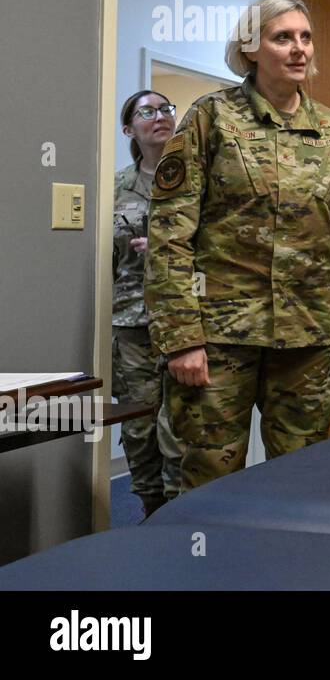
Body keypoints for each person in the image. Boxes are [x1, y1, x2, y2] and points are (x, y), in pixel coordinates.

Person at [145, 0, 330, 492]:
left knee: (303, 480)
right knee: (209, 481)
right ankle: (204, 568)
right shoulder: (211, 118)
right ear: (250, 49)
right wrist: (181, 337)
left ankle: (293, 569)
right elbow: (170, 230)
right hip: (221, 336)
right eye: (282, 38)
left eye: (305, 37)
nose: (299, 49)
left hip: (309, 337)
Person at [111, 90, 183, 516]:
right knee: (139, 426)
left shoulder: (196, 178)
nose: (161, 116)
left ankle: (181, 516)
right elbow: (110, 260)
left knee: (181, 427)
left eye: (166, 109)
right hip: (133, 324)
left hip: (186, 324)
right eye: (148, 112)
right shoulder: (117, 185)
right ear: (129, 129)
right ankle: (150, 512)